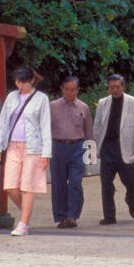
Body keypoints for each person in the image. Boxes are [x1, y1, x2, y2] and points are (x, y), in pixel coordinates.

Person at [0, 67, 52, 237]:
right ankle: (26, 213)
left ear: (31, 80)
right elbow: (3, 122)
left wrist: (46, 153)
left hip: (33, 147)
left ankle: (23, 222)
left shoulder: (41, 99)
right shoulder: (12, 96)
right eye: (18, 81)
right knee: (10, 186)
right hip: (12, 145)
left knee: (27, 186)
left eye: (23, 81)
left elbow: (45, 126)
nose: (20, 85)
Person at [93, 74, 134, 224]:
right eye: (112, 87)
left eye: (118, 87)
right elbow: (97, 127)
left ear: (122, 87)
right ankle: (109, 215)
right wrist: (94, 148)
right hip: (108, 147)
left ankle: (131, 201)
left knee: (132, 182)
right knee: (106, 182)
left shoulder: (133, 103)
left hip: (126, 147)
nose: (115, 90)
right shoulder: (103, 103)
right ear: (108, 88)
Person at [49, 75, 94, 228]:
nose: (70, 93)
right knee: (59, 184)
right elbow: (45, 129)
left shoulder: (83, 107)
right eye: (67, 89)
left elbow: (89, 132)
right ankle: (61, 217)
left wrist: (91, 155)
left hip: (77, 148)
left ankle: (72, 216)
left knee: (75, 182)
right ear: (62, 89)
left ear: (78, 90)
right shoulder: (52, 106)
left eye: (73, 90)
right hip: (58, 147)